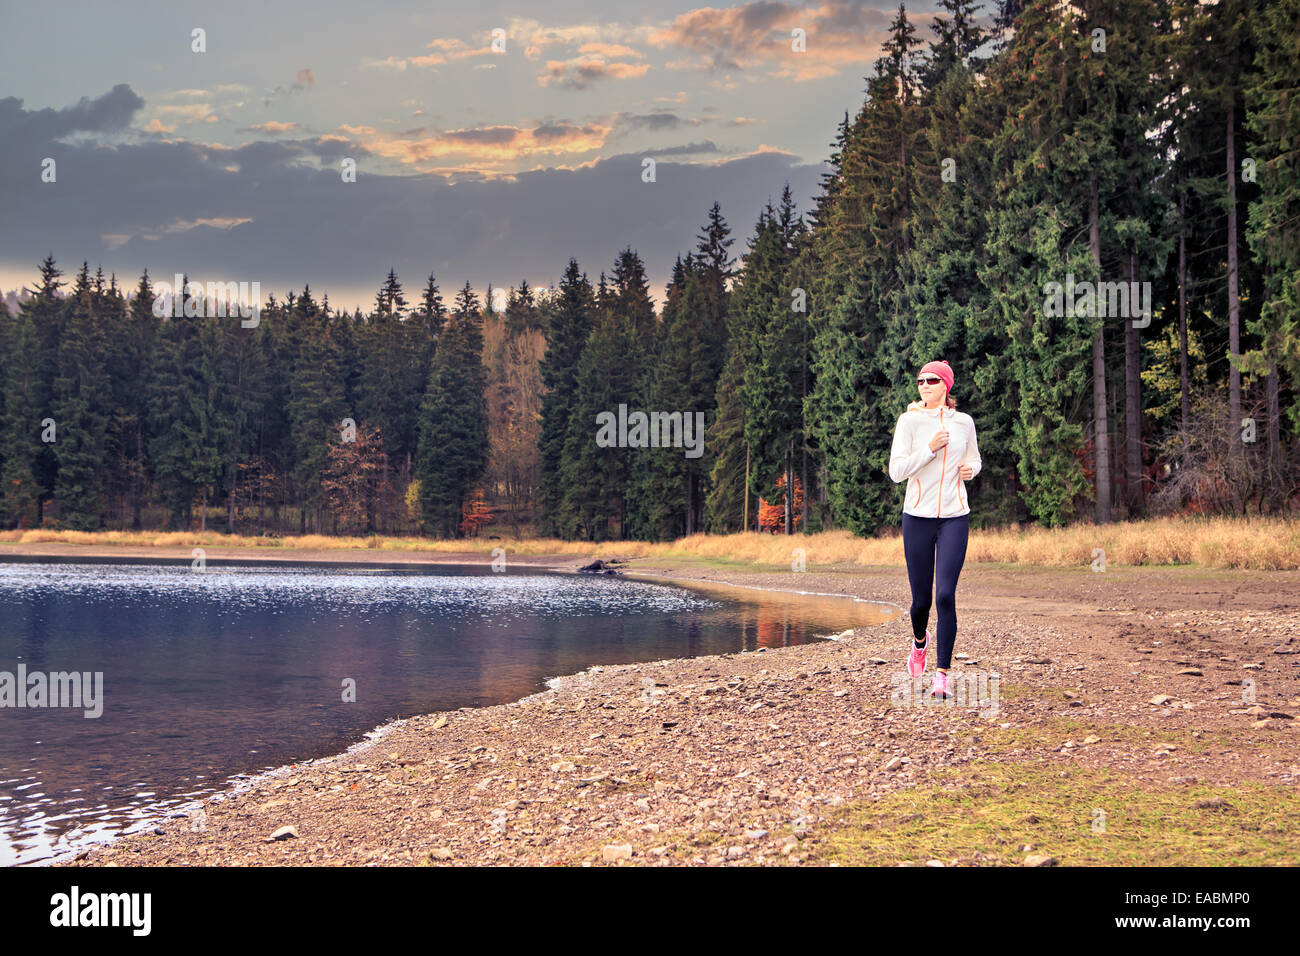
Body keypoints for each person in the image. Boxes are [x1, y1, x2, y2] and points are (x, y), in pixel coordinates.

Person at [887, 360, 981, 699]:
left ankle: (942, 675)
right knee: (920, 602)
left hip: (955, 516)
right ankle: (919, 642)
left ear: (946, 386)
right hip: (917, 517)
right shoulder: (909, 421)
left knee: (945, 595)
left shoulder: (964, 423)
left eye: (931, 380)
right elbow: (896, 472)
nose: (923, 385)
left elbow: (975, 458)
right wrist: (929, 450)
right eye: (920, 380)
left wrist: (972, 468)